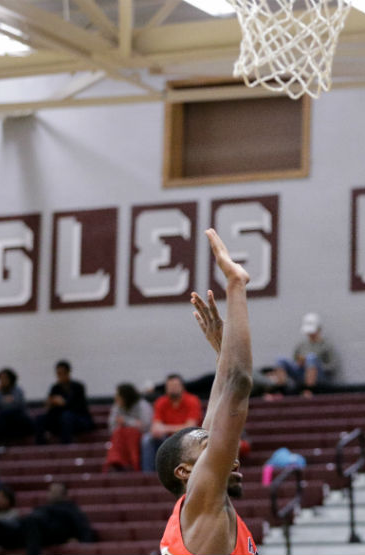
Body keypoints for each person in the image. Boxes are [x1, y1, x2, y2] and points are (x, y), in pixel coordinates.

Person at [157, 228, 258, 555]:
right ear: (184, 473)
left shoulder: (200, 510)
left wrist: (222, 353)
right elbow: (239, 383)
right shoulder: (202, 503)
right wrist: (236, 285)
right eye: (207, 445)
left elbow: (221, 402)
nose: (231, 457)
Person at [141, 374, 202, 472]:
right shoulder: (161, 402)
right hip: (166, 439)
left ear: (182, 387)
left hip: (187, 437)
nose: (173, 389)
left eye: (176, 386)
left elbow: (190, 427)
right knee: (147, 439)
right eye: (170, 386)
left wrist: (165, 428)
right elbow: (155, 428)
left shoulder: (192, 400)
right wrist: (173, 429)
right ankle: (148, 474)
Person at [274, 312, 340, 396]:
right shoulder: (301, 346)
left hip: (319, 376)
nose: (310, 334)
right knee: (280, 360)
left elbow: (332, 366)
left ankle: (309, 390)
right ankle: (281, 390)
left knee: (311, 358)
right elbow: (295, 361)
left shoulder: (326, 346)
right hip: (302, 373)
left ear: (318, 330)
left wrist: (314, 365)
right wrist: (300, 364)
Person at [18, 482, 94, 555]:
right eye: (51, 491)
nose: (52, 494)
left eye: (56, 491)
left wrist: (82, 542)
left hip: (56, 532)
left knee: (31, 522)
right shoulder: (44, 508)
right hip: (38, 531)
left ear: (65, 494)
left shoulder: (70, 508)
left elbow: (83, 527)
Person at [34, 361, 94, 444]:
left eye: (62, 373)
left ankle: (66, 445)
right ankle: (40, 446)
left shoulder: (78, 387)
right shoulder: (55, 388)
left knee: (66, 417)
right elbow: (50, 407)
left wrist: (64, 403)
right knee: (39, 419)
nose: (60, 376)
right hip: (60, 419)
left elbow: (79, 407)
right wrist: (50, 403)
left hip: (78, 419)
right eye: (58, 374)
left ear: (68, 373)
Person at [103, 383, 152, 472]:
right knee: (118, 433)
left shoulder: (142, 405)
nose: (116, 398)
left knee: (131, 433)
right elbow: (112, 426)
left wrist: (126, 422)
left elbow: (146, 425)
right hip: (121, 436)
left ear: (125, 397)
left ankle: (133, 463)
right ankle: (116, 461)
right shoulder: (117, 406)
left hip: (139, 435)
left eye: (118, 396)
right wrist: (133, 423)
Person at [0, 368, 34, 444]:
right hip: (1, 419)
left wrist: (1, 402)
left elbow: (15, 406)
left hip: (18, 420)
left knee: (3, 415)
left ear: (11, 379)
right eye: (1, 379)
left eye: (5, 378)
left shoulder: (17, 390)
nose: (2, 381)